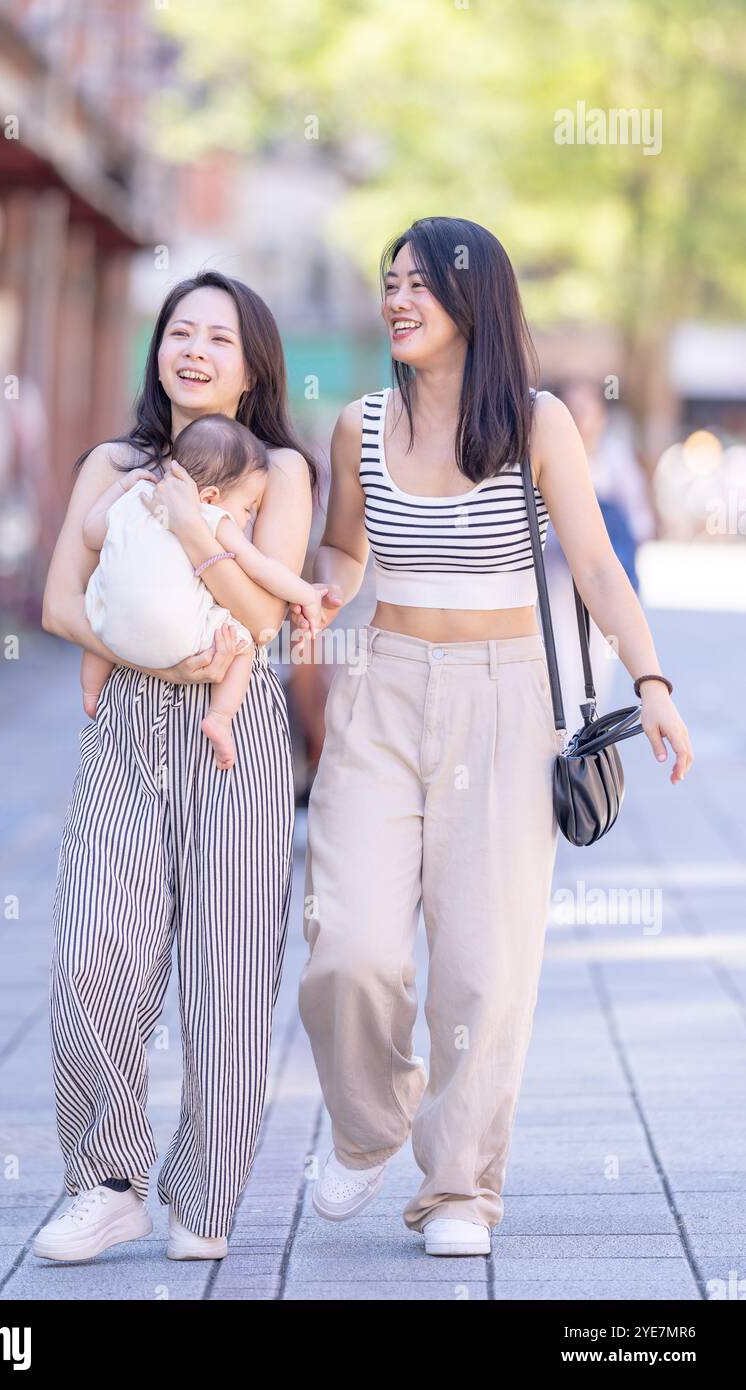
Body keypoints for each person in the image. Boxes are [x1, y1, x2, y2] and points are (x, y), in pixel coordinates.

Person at [292, 216, 693, 1259]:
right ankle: (370, 1123)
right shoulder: (358, 427)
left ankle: (459, 1185)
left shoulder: (532, 422)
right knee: (348, 942)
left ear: (474, 301)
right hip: (381, 690)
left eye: (420, 283)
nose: (397, 298)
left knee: (482, 961)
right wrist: (310, 599)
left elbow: (597, 568)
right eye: (389, 281)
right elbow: (343, 552)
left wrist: (648, 679)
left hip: (505, 696)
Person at [36, 270, 322, 1263]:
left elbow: (258, 619)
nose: (193, 348)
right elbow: (58, 602)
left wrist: (195, 533)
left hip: (230, 735)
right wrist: (144, 645)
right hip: (123, 727)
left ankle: (205, 1191)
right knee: (89, 957)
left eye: (219, 338)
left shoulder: (280, 470)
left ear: (251, 369)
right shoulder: (113, 462)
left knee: (228, 974)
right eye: (179, 331)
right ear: (157, 348)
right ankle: (104, 1178)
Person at [80, 413, 323, 768]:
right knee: (242, 642)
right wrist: (305, 594)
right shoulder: (213, 518)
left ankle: (90, 693)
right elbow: (260, 567)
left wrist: (119, 490)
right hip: (185, 646)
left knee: (104, 600)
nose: (245, 517)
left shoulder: (135, 501)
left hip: (114, 641)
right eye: (247, 508)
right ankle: (220, 719)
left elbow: (90, 533)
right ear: (210, 496)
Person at [544, 376, 656, 727]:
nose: (582, 419)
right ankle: (567, 732)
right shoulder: (545, 455)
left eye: (588, 409)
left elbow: (640, 519)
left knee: (599, 661)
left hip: (602, 576)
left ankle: (587, 731)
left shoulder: (614, 459)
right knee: (560, 656)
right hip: (556, 579)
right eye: (573, 410)